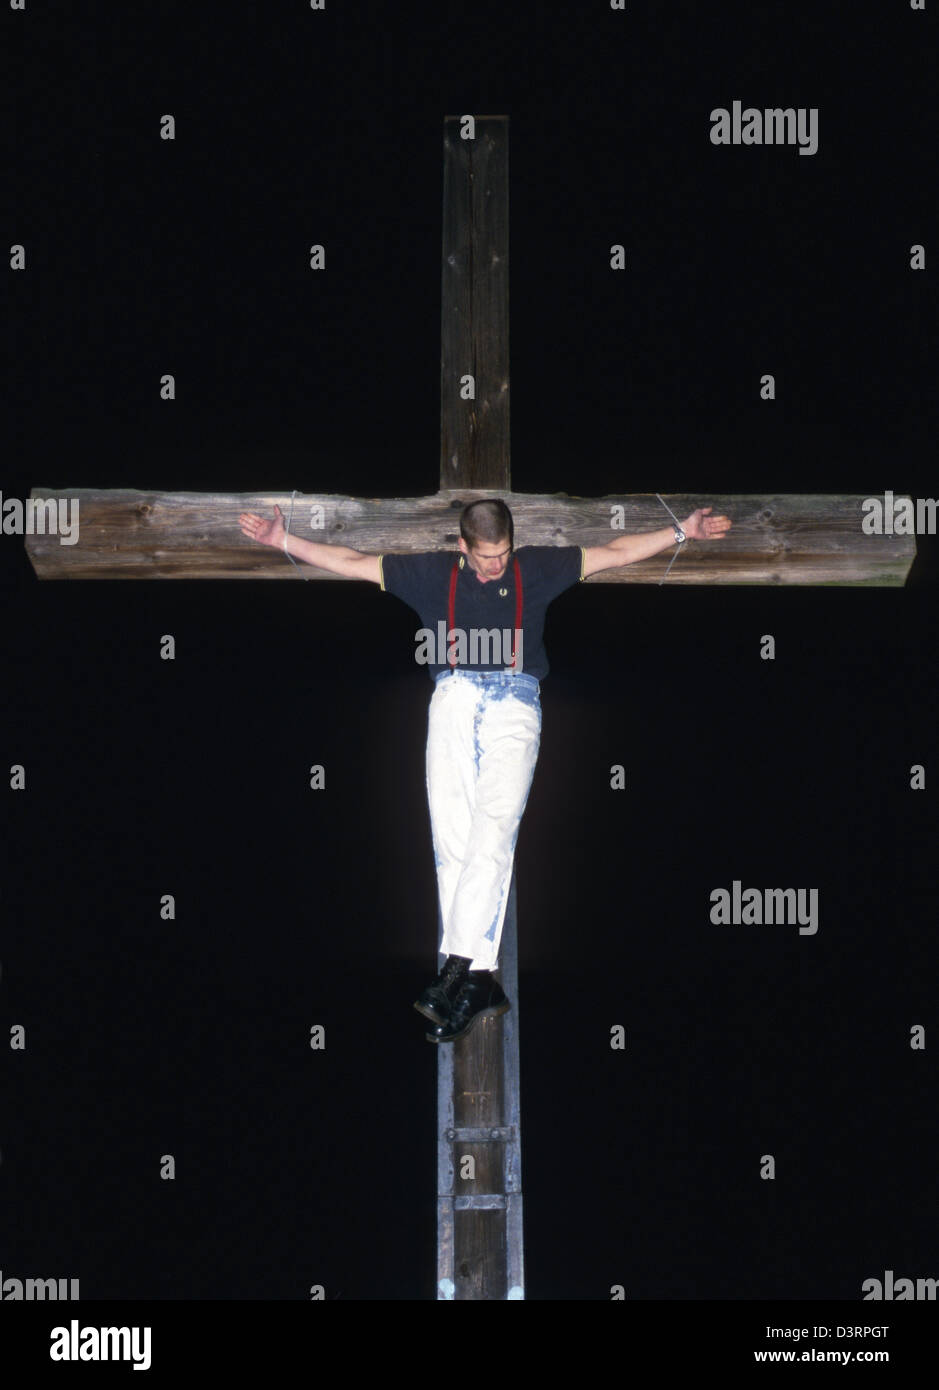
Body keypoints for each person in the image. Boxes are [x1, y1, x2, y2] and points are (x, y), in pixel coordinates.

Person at [239, 497, 732, 1044]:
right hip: (451, 698)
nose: (496, 566)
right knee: (451, 843)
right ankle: (481, 984)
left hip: (516, 704)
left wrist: (681, 532)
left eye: (503, 554)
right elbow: (352, 560)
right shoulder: (428, 573)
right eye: (486, 557)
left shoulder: (536, 568)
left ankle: (455, 968)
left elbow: (613, 553)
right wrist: (282, 541)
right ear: (462, 545)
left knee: (494, 836)